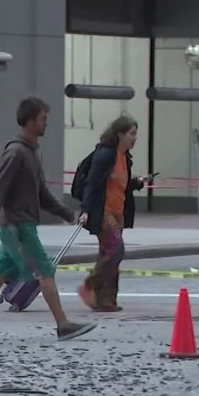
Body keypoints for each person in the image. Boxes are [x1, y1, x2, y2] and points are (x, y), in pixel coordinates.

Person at [0, 96, 98, 341]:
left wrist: (67, 214)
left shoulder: (32, 152)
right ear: (30, 121)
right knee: (45, 270)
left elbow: (41, 193)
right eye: (43, 118)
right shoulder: (16, 152)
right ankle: (63, 324)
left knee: (0, 272)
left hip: (20, 226)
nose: (46, 123)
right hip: (18, 227)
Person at [76, 115, 152, 312]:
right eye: (132, 134)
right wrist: (85, 210)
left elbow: (122, 184)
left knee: (110, 254)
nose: (135, 138)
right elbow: (92, 183)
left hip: (118, 211)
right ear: (120, 134)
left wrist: (138, 183)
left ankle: (107, 299)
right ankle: (89, 285)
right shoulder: (106, 155)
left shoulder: (125, 158)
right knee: (116, 249)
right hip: (104, 211)